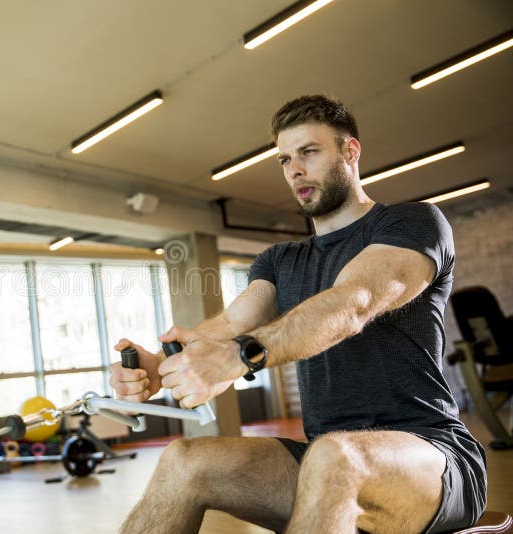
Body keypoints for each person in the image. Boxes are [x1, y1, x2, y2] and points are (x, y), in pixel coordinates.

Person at [109, 95, 487, 533]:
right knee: (184, 460)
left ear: (350, 152)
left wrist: (238, 358)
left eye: (309, 152)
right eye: (285, 159)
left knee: (335, 456)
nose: (295, 169)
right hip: (321, 459)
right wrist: (165, 366)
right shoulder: (279, 260)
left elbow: (354, 300)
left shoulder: (412, 223)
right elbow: (232, 325)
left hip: (433, 457)